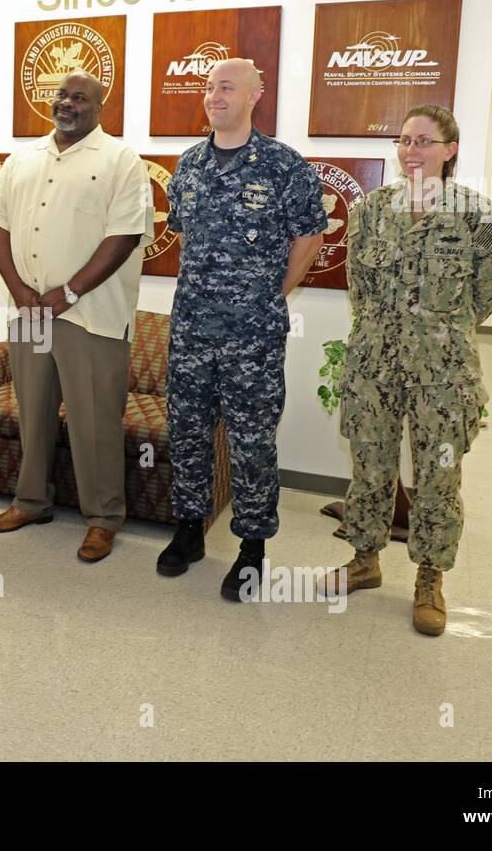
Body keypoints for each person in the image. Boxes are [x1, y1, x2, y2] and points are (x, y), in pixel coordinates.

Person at [324, 104, 492, 636]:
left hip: (443, 373)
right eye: (404, 140)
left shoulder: (482, 218)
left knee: (437, 478)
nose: (411, 151)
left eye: (424, 142)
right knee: (370, 466)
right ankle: (365, 558)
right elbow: (358, 287)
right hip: (374, 365)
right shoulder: (370, 211)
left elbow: (485, 297)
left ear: (450, 150)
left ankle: (430, 577)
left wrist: (436, 331)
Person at [157, 58, 326, 598]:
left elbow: (310, 237)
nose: (214, 96)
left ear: (256, 95)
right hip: (190, 332)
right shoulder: (189, 164)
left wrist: (273, 294)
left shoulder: (284, 166)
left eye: (226, 87)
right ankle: (190, 529)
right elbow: (184, 233)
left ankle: (252, 547)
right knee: (187, 435)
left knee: (252, 442)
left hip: (252, 337)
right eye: (209, 88)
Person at [0, 70, 152, 562]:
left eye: (80, 97)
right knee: (31, 413)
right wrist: (17, 290)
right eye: (61, 95)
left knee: (95, 421)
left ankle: (102, 519)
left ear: (100, 106)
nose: (67, 103)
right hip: (30, 311)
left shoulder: (122, 160)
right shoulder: (22, 158)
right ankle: (31, 502)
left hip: (91, 316)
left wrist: (70, 292)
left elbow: (125, 235)